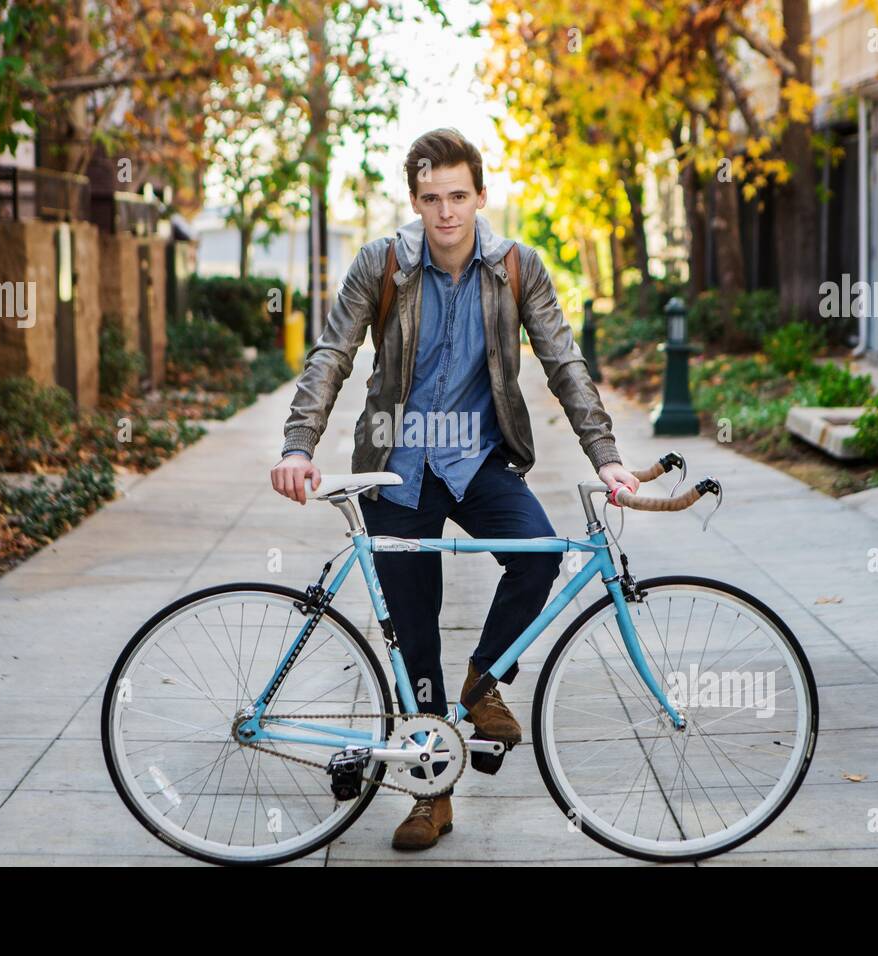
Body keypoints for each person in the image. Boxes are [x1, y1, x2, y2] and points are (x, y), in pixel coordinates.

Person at [270, 128, 639, 851]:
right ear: (415, 200)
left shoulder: (515, 268)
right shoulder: (381, 265)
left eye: (458, 197)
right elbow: (331, 355)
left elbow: (564, 360)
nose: (446, 213)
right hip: (396, 468)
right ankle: (429, 799)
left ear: (480, 196)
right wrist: (297, 444)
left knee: (537, 554)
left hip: (476, 459)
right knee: (416, 643)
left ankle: (483, 680)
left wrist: (607, 457)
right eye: (432, 198)